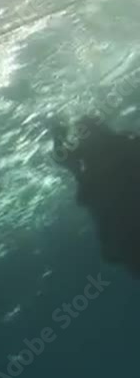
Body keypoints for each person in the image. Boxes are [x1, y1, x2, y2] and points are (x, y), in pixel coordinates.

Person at [52, 116, 140, 276]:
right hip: (117, 215)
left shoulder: (123, 142)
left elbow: (63, 159)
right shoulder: (123, 142)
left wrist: (58, 136)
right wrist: (58, 136)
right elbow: (64, 159)